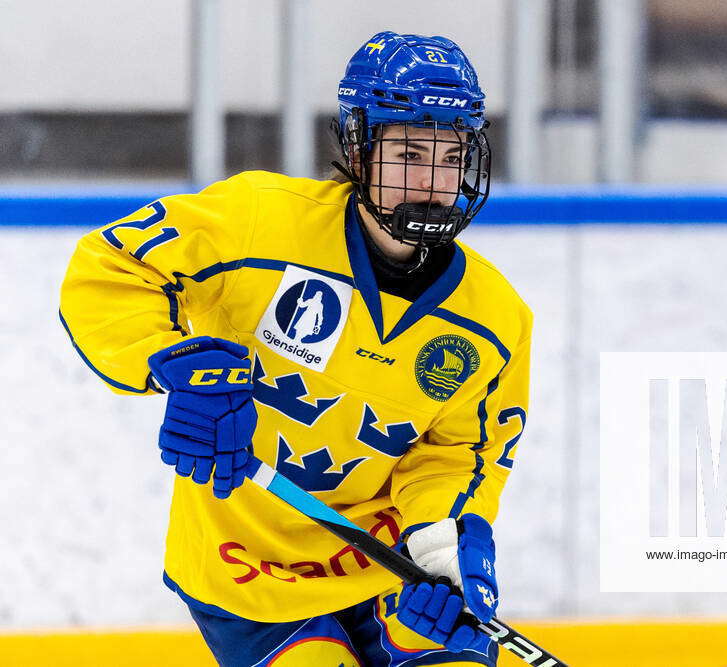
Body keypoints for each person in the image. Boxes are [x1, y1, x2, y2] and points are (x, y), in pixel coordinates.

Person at [59, 31, 531, 667]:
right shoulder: (261, 220)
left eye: (451, 158)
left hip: (388, 569)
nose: (433, 182)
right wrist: (172, 363)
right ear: (360, 150)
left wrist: (445, 552)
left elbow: (459, 452)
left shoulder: (495, 319)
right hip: (246, 567)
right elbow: (111, 265)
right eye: (410, 154)